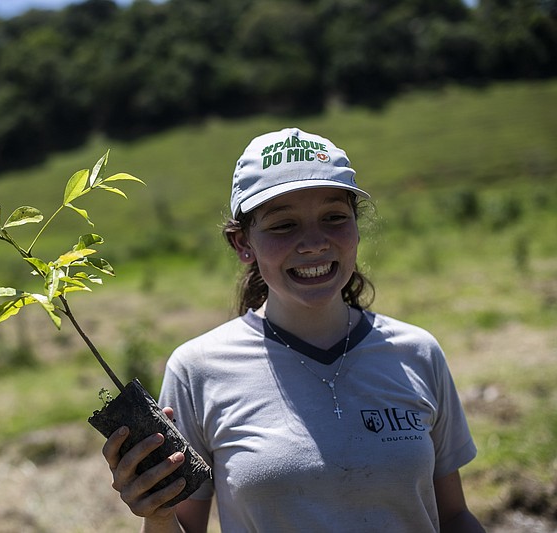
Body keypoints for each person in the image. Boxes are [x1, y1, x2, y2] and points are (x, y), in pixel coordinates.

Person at [102, 127, 485, 532]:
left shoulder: (417, 353)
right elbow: (182, 526)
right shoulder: (198, 370)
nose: (314, 243)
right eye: (284, 225)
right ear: (243, 244)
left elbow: (454, 517)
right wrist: (157, 514)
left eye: (334, 218)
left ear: (356, 226)